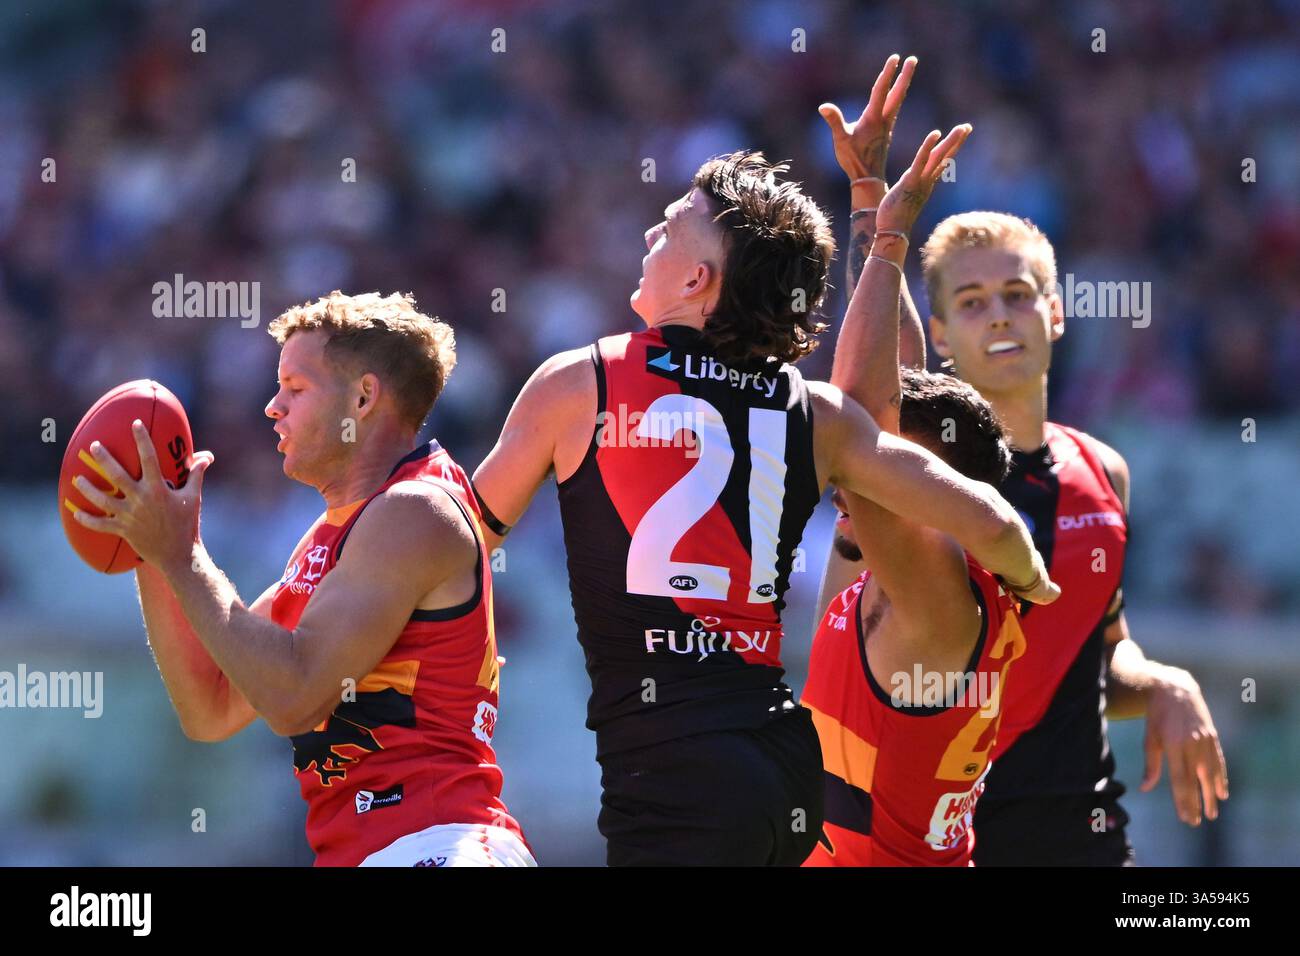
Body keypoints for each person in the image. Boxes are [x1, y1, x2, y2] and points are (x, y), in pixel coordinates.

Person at [471, 147, 1052, 866]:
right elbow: (913, 442)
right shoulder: (818, 423)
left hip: (683, 779)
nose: (654, 224)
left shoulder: (581, 380)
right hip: (778, 772)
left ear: (696, 279)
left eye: (675, 220)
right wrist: (1029, 575)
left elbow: (461, 537)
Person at [816, 55, 1228, 866]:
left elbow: (1099, 655)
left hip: (1080, 835)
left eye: (1017, 294)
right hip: (936, 834)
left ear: (1057, 313)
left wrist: (1166, 686)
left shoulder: (1102, 472)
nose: (999, 316)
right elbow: (865, 395)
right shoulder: (919, 473)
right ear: (937, 332)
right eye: (970, 302)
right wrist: (872, 204)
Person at [70, 291, 533, 867]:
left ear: (363, 397)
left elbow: (293, 696)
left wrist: (182, 554)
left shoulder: (413, 509)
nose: (272, 406)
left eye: (295, 387)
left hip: (438, 842)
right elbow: (210, 708)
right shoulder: (335, 535)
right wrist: (151, 549)